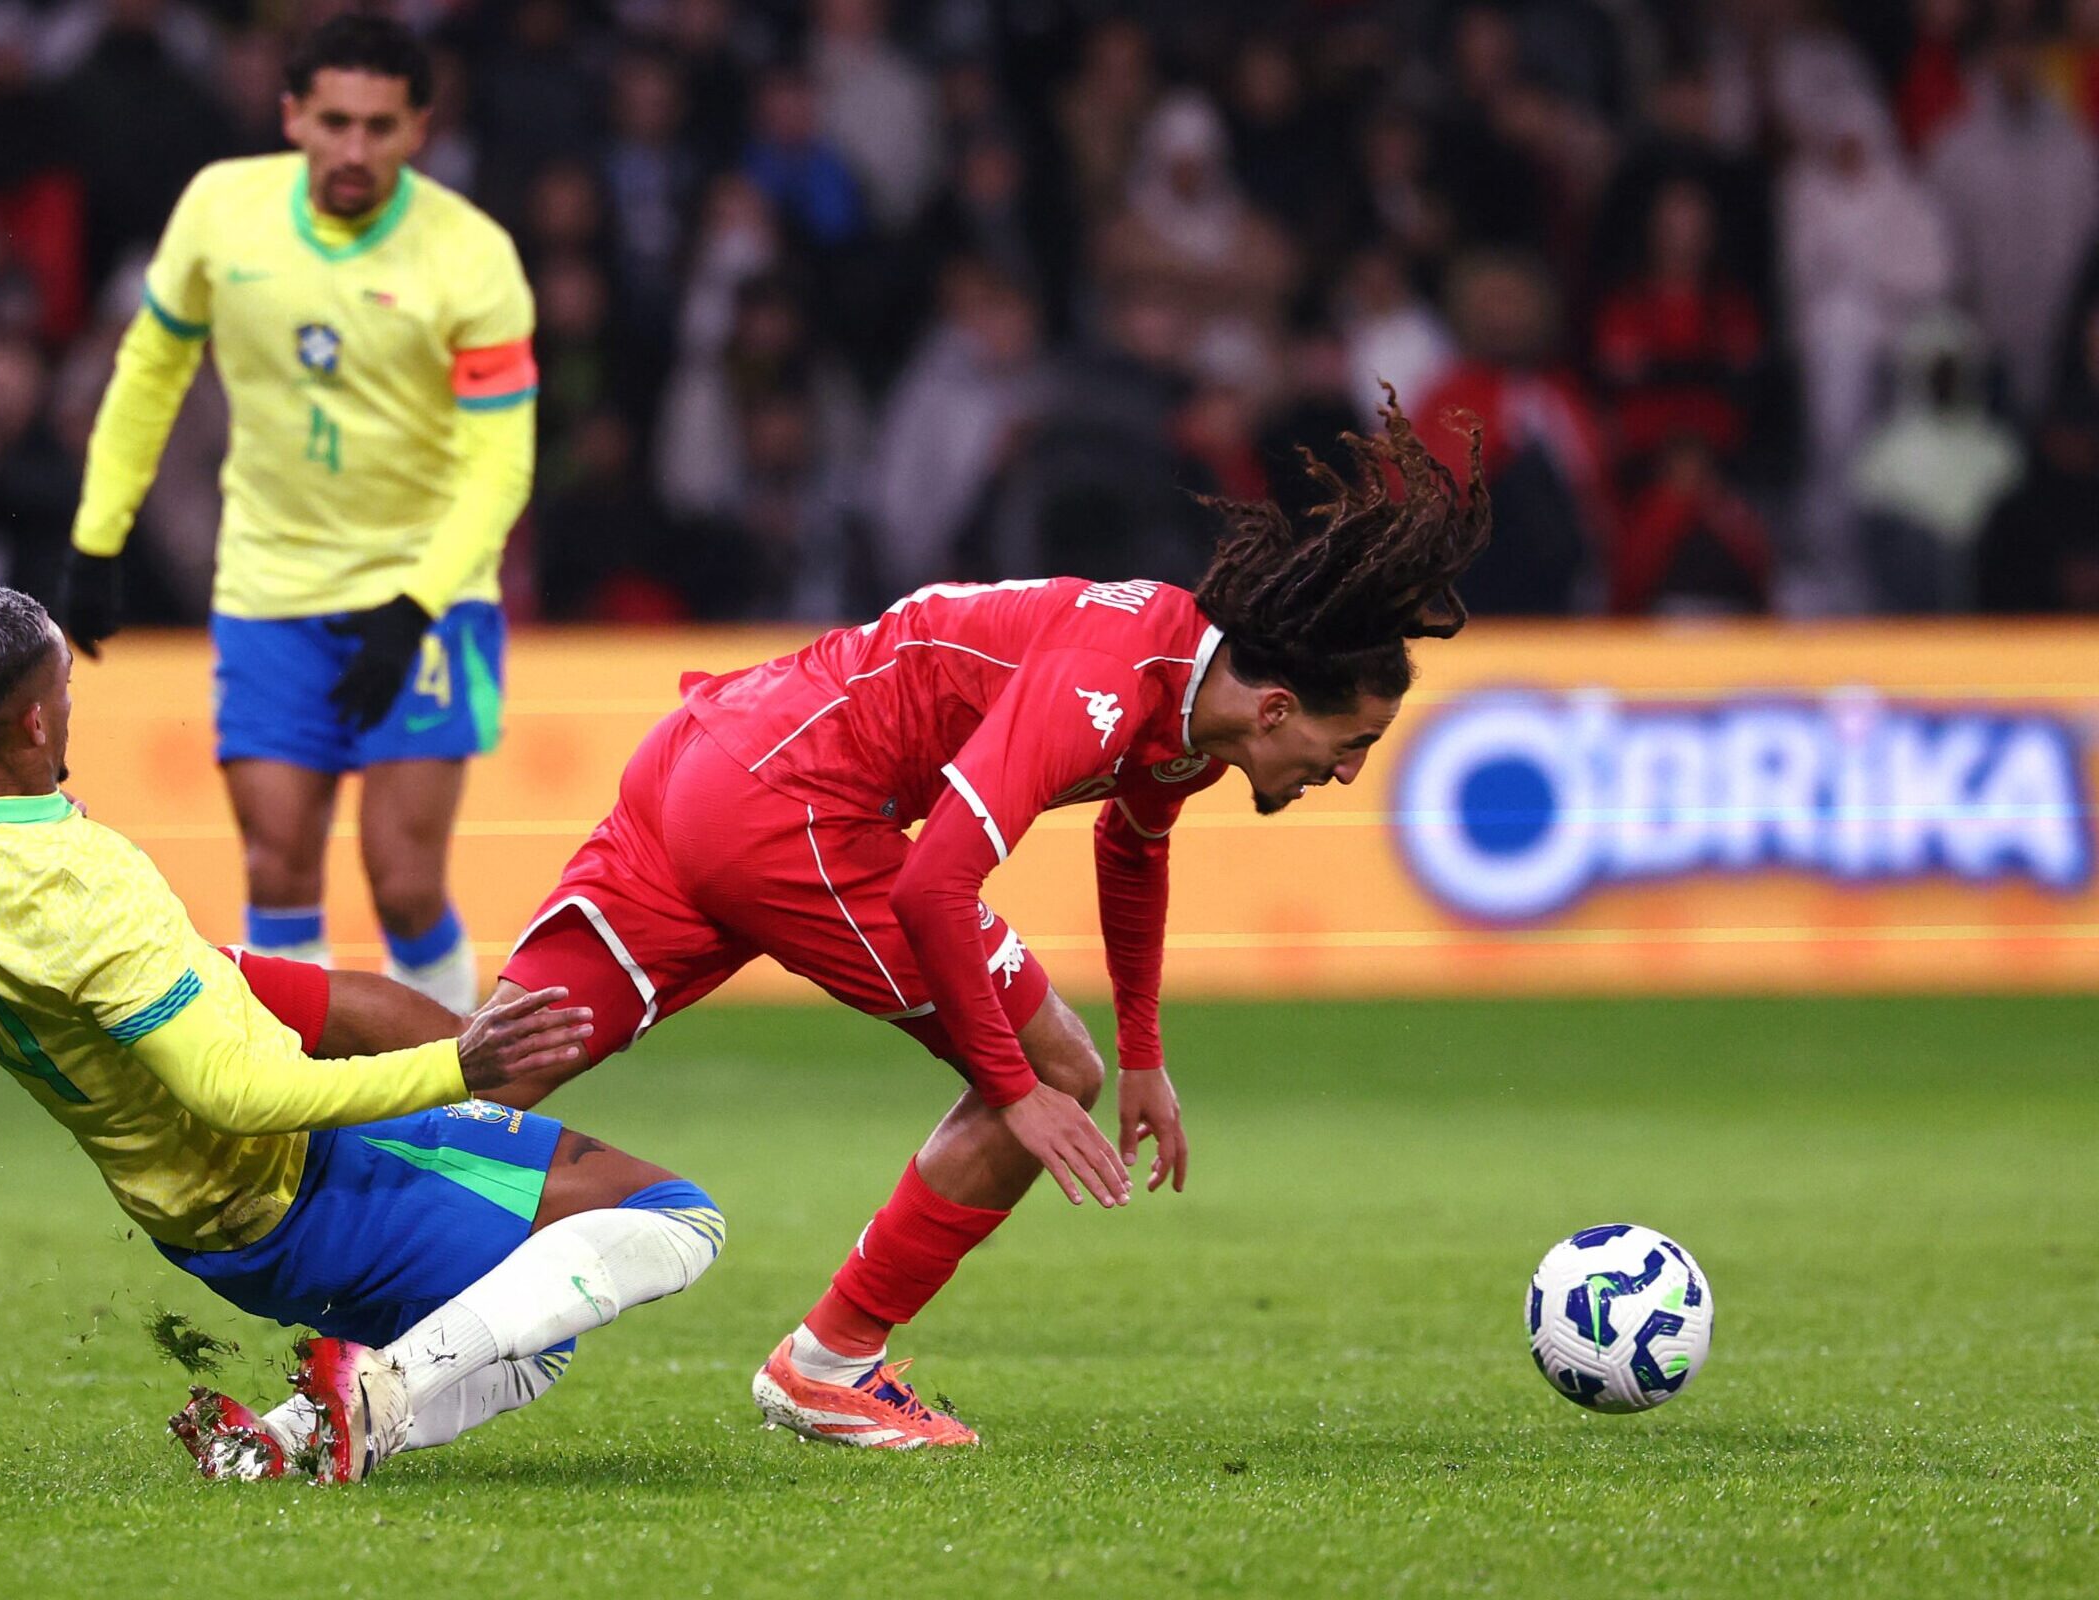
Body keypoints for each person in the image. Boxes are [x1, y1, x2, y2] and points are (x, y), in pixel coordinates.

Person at [479, 393, 1487, 1447]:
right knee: (1055, 1068)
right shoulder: (1109, 682)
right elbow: (932, 887)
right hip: (790, 806)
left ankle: (330, 1267)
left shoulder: (1191, 695)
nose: (1347, 770)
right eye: (1352, 740)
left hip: (708, 752)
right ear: (1279, 707)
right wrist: (1019, 1091)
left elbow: (1132, 846)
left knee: (494, 1063)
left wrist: (1142, 1050)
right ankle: (830, 1364)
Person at [0, 587, 720, 1484]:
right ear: (31, 723)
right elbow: (237, 1096)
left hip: (192, 1211)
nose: (70, 705)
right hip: (285, 1183)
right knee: (675, 1218)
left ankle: (277, 1444)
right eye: (64, 688)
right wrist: (456, 1066)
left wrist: (1, 984)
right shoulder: (83, 886)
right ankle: (384, 1387)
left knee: (527, 1330)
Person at [56, 14, 535, 1013]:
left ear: (418, 130)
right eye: (333, 122)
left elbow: (500, 465)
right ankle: (307, 1123)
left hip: (426, 595)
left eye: (378, 126)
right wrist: (97, 537)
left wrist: (412, 604)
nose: (353, 150)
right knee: (277, 868)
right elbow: (150, 370)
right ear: (291, 117)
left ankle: (449, 1100)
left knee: (402, 880)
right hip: (270, 588)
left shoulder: (472, 256)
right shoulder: (221, 215)